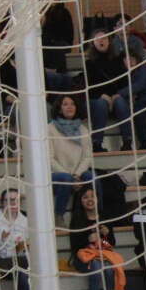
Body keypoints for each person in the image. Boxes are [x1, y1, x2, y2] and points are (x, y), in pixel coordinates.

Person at [67, 185, 126, 290]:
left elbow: (112, 244)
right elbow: (74, 247)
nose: (89, 200)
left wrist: (107, 234)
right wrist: (87, 239)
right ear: (80, 201)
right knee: (96, 265)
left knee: (109, 267)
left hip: (103, 255)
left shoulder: (105, 217)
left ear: (98, 198)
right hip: (83, 258)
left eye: (92, 196)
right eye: (85, 197)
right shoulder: (77, 219)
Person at [83, 28, 132, 153]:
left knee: (120, 101)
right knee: (101, 103)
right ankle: (97, 143)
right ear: (93, 43)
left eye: (104, 38)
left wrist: (117, 94)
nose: (101, 41)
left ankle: (127, 142)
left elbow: (125, 82)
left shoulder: (118, 60)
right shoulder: (89, 63)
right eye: (98, 39)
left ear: (109, 41)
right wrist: (102, 95)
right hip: (98, 99)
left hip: (116, 98)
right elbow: (88, 86)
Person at [49, 95, 94, 224]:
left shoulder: (83, 130)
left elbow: (87, 157)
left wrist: (76, 175)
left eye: (72, 104)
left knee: (91, 177)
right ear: (59, 109)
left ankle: (97, 215)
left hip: (76, 175)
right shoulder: (50, 129)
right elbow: (49, 159)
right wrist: (71, 177)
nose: (70, 107)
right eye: (65, 104)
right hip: (56, 176)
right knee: (66, 178)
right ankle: (58, 215)